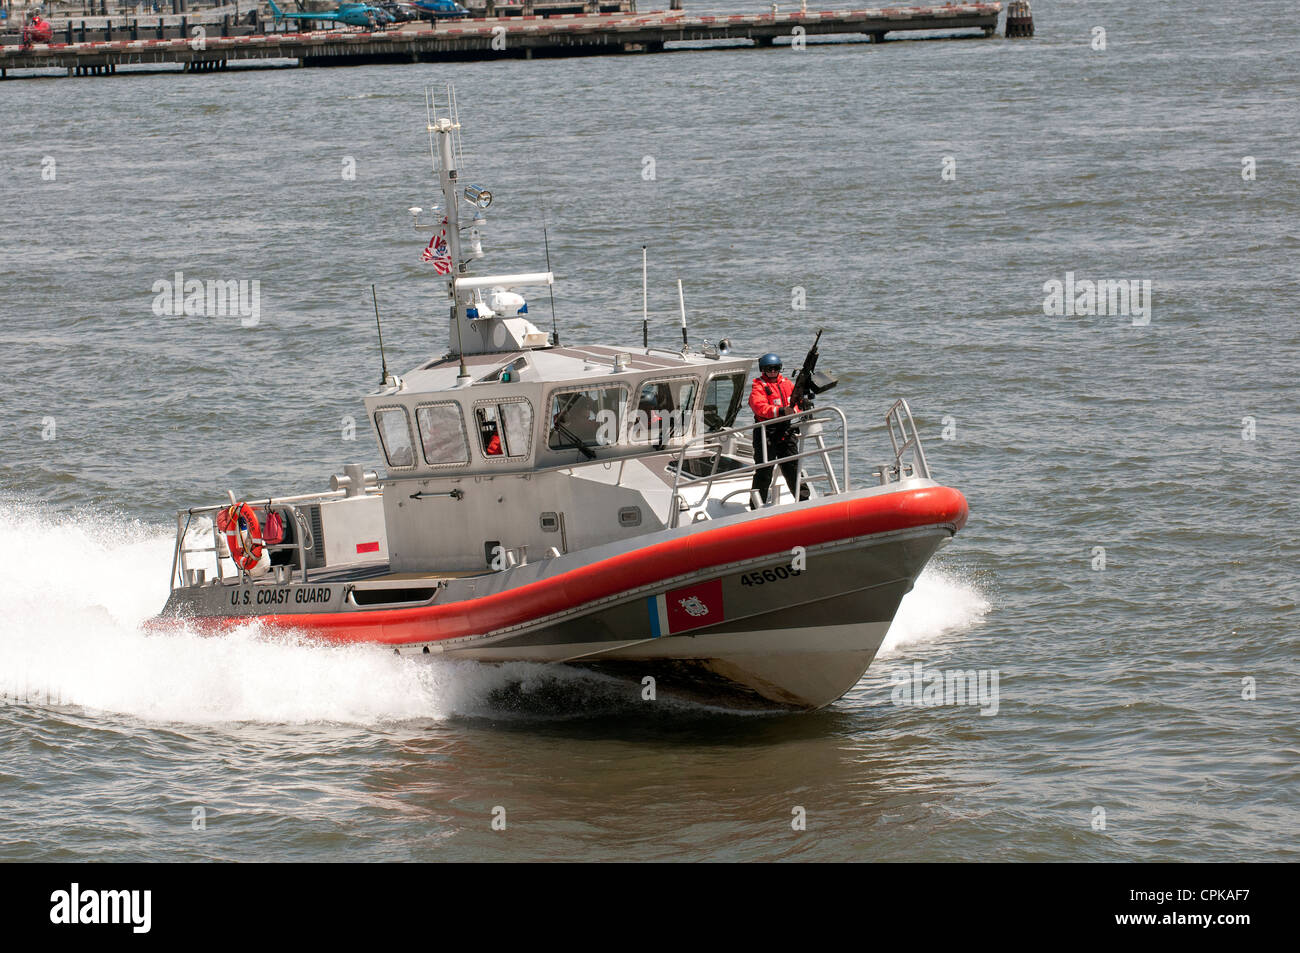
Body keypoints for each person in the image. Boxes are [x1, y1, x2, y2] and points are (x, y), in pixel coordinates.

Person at [748, 352, 810, 508]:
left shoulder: (787, 383)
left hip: (786, 431)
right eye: (770, 369)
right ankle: (756, 505)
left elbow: (796, 402)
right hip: (766, 433)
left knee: (793, 467)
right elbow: (759, 407)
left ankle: (804, 501)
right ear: (763, 370)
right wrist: (781, 411)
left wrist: (797, 408)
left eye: (776, 368)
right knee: (764, 471)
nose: (773, 372)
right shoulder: (758, 386)